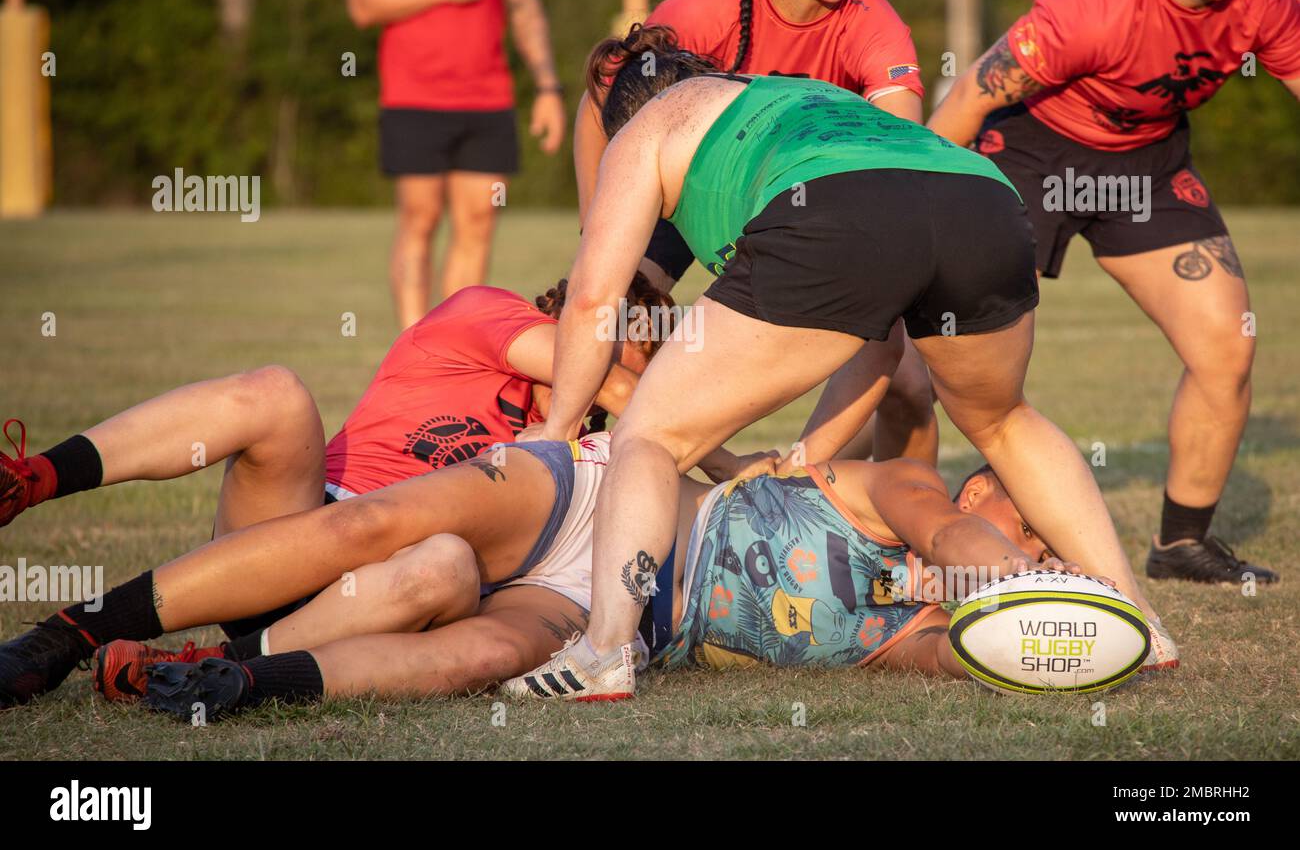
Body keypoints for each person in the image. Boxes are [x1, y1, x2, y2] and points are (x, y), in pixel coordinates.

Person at [501, 27, 1176, 701]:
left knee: (649, 435)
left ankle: (604, 654)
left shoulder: (645, 127)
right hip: (983, 199)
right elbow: (876, 336)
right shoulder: (793, 95)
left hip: (839, 208)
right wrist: (807, 457)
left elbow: (594, 298)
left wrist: (559, 425)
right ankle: (1140, 625)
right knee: (1003, 420)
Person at [0, 277, 678, 707]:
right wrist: (694, 430)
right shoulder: (484, 312)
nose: (612, 404)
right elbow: (614, 388)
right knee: (277, 394)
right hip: (296, 528)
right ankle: (31, 482)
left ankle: (206, 667)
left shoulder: (562, 459)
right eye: (616, 365)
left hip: (364, 602)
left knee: (447, 560)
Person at [117, 454, 1132, 719]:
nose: (1037, 552)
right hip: (588, 500)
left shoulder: (907, 623)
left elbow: (969, 652)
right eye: (1034, 526)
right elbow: (960, 536)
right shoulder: (909, 489)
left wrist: (1057, 636)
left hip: (613, 615)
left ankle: (244, 684)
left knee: (482, 654)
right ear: (985, 482)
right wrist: (1005, 573)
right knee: (370, 524)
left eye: (1045, 551)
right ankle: (84, 626)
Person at [927, 0, 1298, 584]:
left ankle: (1181, 544)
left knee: (1228, 343)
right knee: (960, 357)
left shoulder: (1260, 1)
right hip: (1030, 149)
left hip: (1148, 163)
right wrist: (911, 201)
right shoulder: (1094, 5)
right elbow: (974, 94)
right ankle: (897, 513)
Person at [574, 0, 938, 464]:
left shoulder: (873, 22)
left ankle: (857, 525)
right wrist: (597, 231)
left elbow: (901, 155)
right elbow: (602, 100)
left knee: (911, 388)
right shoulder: (710, 6)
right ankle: (585, 484)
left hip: (807, 208)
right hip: (695, 187)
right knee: (617, 323)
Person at [347, 0, 567, 328]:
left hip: (489, 97)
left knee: (478, 220)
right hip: (413, 97)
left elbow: (524, 7)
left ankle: (450, 346)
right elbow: (362, 5)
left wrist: (547, 87)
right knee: (420, 217)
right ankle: (411, 345)